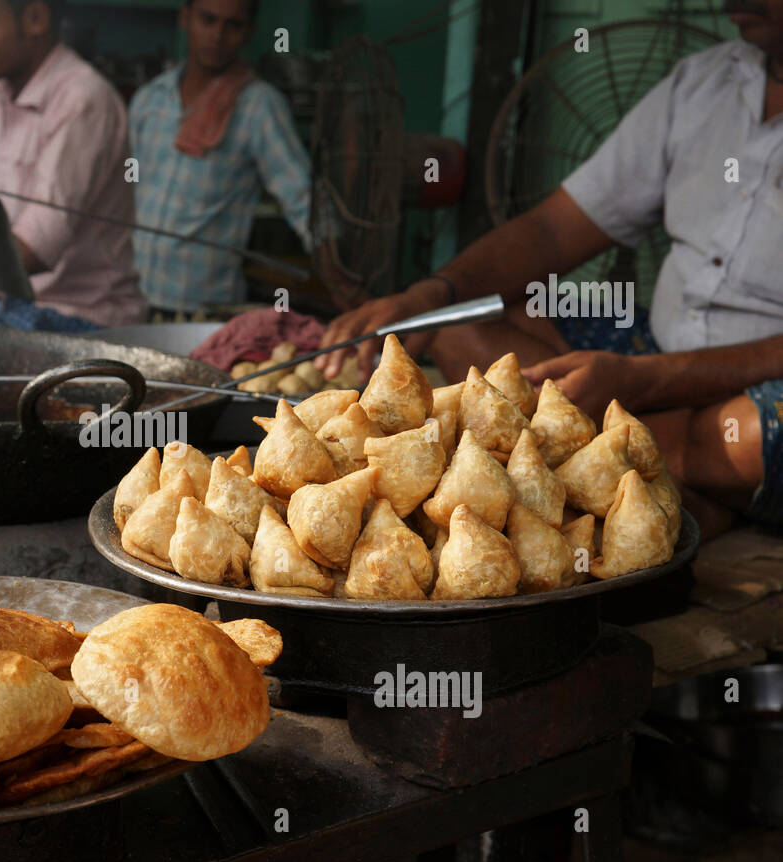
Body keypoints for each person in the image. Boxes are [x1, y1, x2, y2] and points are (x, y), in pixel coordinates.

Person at [315, 4, 783, 537]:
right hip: (655, 346)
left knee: (747, 437)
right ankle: (662, 473)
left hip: (758, 386)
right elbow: (553, 231)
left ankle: (639, 462)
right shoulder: (703, 84)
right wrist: (432, 293)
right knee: (460, 327)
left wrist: (644, 381)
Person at [0, 0, 145, 328]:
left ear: (35, 18)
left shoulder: (83, 99)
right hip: (5, 307)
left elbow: (34, 250)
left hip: (78, 322)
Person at [129, 0, 311, 317]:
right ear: (185, 18)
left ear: (249, 32)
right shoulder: (150, 99)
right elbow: (126, 194)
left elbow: (303, 200)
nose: (217, 35)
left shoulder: (259, 106)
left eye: (233, 25)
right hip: (134, 296)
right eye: (208, 20)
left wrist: (339, 272)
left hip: (203, 309)